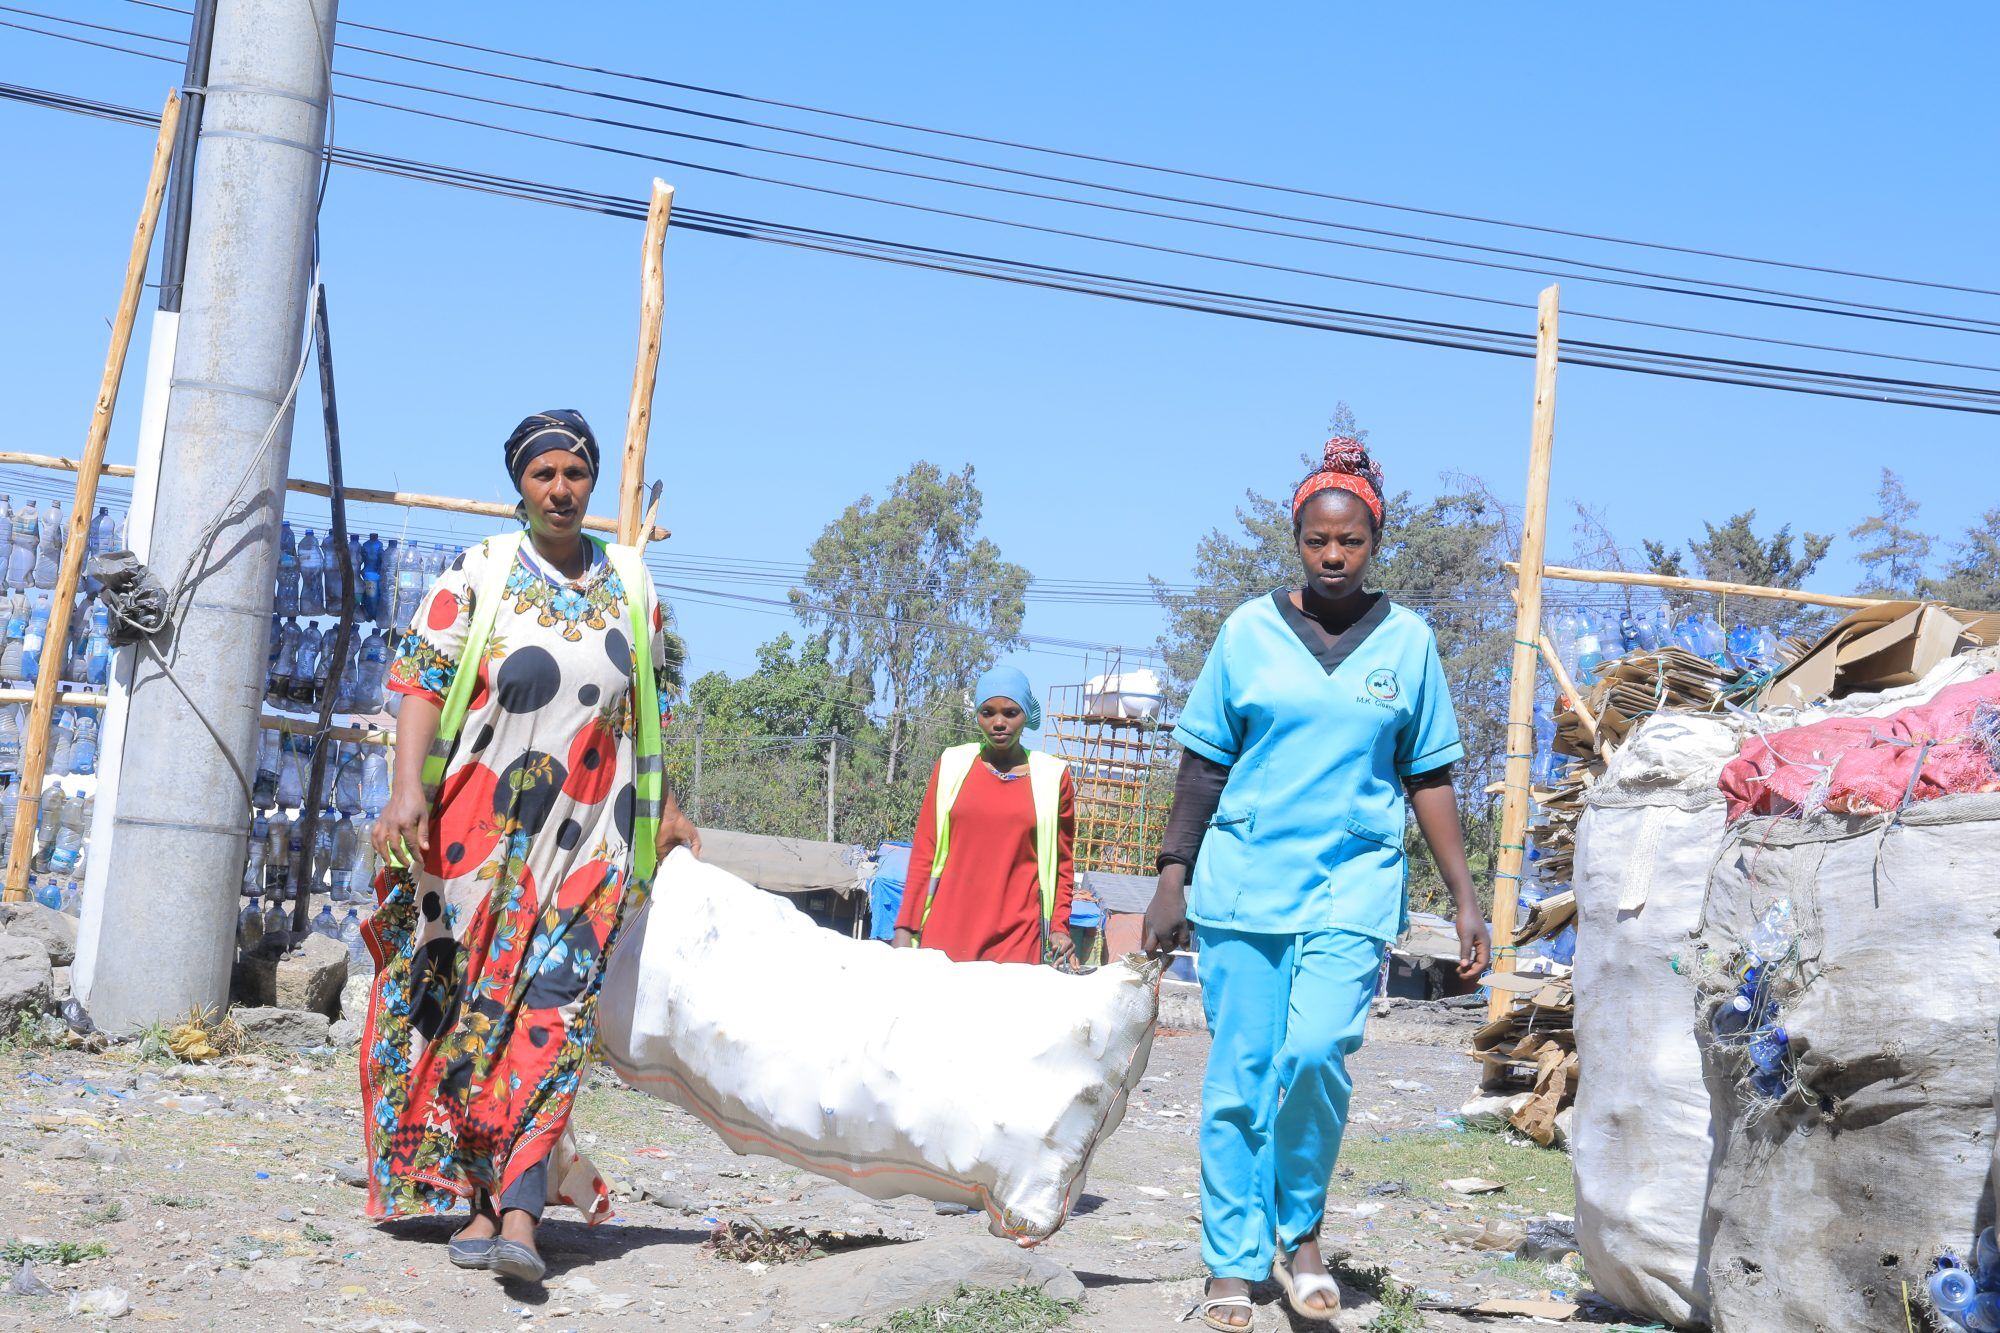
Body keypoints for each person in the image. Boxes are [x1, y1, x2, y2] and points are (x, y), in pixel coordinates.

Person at [1141, 437, 1491, 1329]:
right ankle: (1231, 1259)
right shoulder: (1246, 632)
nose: (1333, 555)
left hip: (1352, 883)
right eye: (1317, 540)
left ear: (1376, 542)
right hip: (1245, 884)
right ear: (1297, 540)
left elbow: (1430, 775)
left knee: (1314, 1054)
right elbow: (1203, 764)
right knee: (1240, 1075)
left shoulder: (1408, 642)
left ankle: (1300, 1236)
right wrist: (1172, 878)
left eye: (1351, 541)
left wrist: (1466, 898)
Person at [362, 408, 700, 1284]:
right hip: (482, 841)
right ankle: (480, 1199)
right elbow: (421, 682)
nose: (560, 489)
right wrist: (407, 791)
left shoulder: (632, 580)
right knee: (478, 1016)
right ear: (520, 483)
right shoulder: (478, 572)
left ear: (592, 482)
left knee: (555, 1011)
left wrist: (667, 808)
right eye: (543, 474)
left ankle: (521, 1211)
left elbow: (651, 703)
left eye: (574, 474)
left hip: (593, 841)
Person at [893, 666, 1078, 966]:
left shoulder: (1054, 777)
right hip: (946, 938)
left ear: (1026, 715)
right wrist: (905, 927)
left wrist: (1059, 927)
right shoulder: (952, 765)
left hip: (1018, 942)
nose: (999, 723)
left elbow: (1063, 865)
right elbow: (925, 849)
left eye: (1010, 713)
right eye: (987, 713)